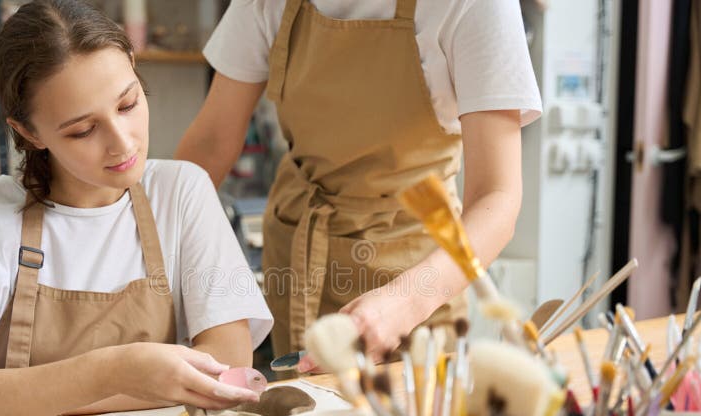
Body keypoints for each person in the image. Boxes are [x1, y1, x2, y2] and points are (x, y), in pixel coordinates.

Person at [0, 0, 272, 416]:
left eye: (128, 103)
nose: (122, 143)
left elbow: (227, 365)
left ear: (134, 68)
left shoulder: (182, 193)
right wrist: (112, 371)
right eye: (82, 130)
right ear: (29, 132)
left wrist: (8, 399)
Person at [175, 0, 542, 365]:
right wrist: (146, 257)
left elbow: (497, 197)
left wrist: (406, 302)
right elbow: (211, 143)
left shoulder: (473, 6)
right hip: (295, 261)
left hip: (417, 275)